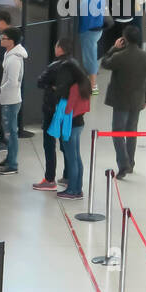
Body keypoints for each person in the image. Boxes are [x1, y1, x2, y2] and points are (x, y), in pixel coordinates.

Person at [100, 25, 146, 179]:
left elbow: (105, 63)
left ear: (125, 39)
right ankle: (130, 162)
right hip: (137, 101)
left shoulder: (119, 56)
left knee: (117, 132)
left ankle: (123, 164)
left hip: (121, 101)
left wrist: (113, 48)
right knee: (131, 132)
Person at [32, 38, 74, 194]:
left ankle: (49, 179)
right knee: (66, 143)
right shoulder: (75, 65)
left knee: (49, 144)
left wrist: (50, 86)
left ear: (60, 49)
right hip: (68, 110)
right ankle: (68, 175)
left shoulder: (54, 66)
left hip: (52, 109)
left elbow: (40, 81)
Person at [56, 56, 92, 200]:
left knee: (71, 159)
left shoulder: (74, 87)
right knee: (76, 157)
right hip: (80, 123)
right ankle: (78, 189)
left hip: (70, 124)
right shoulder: (85, 83)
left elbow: (68, 109)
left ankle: (72, 190)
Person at [0, 28, 27, 174]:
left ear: (11, 41)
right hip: (7, 99)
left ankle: (12, 164)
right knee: (9, 132)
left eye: (4, 38)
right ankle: (9, 159)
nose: (1, 40)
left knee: (11, 133)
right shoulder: (8, 54)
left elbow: (13, 82)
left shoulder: (14, 59)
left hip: (10, 100)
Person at [79, 0, 107, 93]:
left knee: (90, 58)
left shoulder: (85, 2)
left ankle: (93, 86)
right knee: (92, 55)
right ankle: (91, 82)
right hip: (98, 31)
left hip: (87, 32)